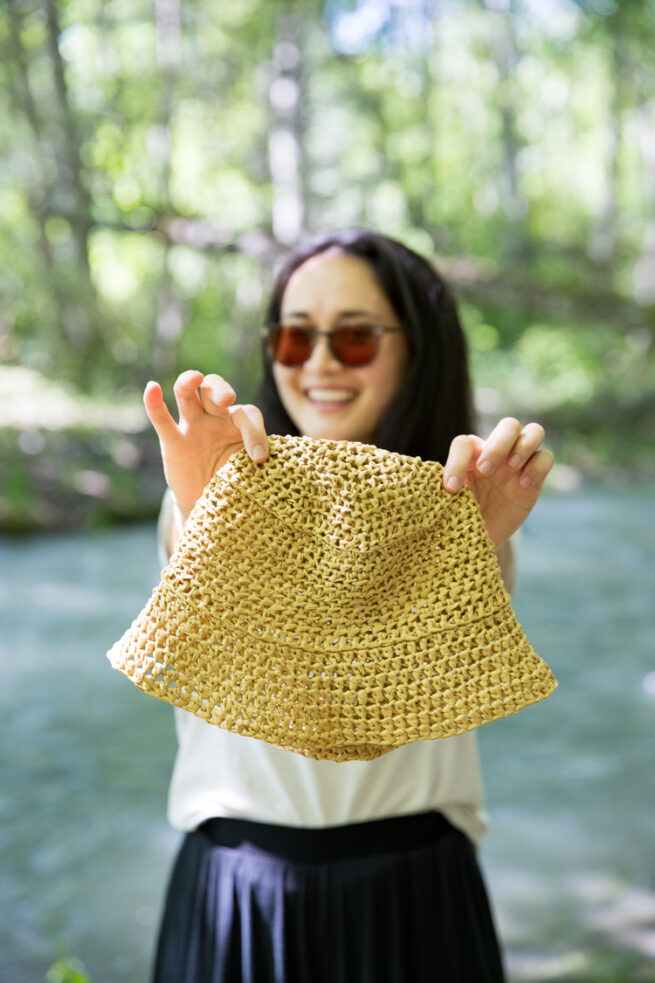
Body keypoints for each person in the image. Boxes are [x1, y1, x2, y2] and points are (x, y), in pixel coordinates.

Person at [142, 228, 553, 982]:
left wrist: (477, 532)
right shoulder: (205, 500)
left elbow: (360, 677)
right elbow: (285, 657)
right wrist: (204, 504)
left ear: (416, 348)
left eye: (355, 338)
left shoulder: (471, 515)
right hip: (240, 889)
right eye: (295, 338)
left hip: (416, 897)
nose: (320, 361)